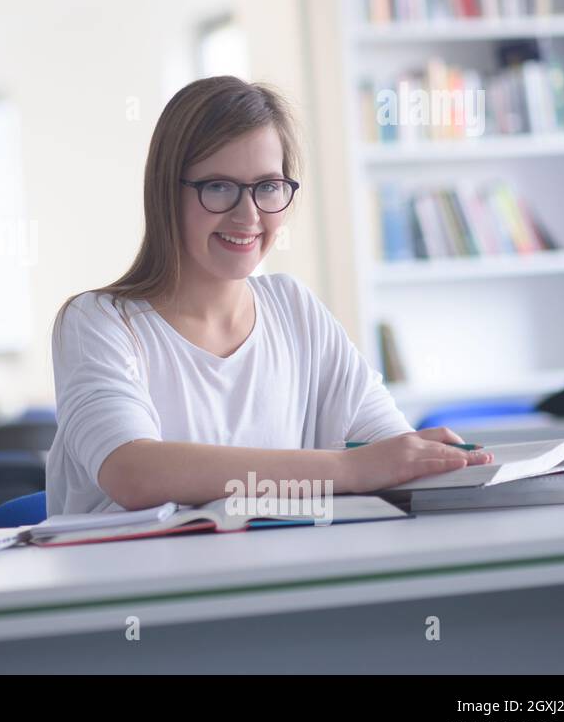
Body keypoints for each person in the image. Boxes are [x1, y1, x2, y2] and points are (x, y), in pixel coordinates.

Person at [47, 76, 491, 515]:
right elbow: (133, 472)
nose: (248, 215)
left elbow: (388, 450)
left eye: (267, 187)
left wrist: (435, 462)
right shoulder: (98, 322)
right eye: (218, 187)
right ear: (167, 192)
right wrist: (349, 469)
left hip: (275, 576)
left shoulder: (292, 306)